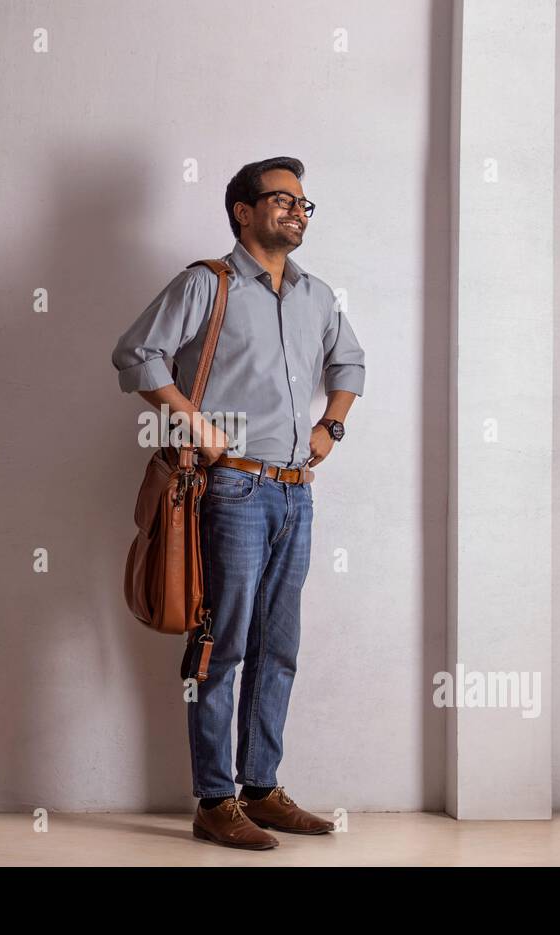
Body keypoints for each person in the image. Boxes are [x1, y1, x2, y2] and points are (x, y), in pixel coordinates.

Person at [110, 157, 366, 849]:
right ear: (242, 212)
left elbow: (352, 363)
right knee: (220, 645)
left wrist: (329, 427)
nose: (297, 211)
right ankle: (214, 798)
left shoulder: (316, 295)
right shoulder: (208, 283)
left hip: (295, 492)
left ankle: (262, 786)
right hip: (231, 489)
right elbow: (137, 353)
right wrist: (193, 422)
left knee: (278, 647)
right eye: (282, 200)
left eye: (305, 204)